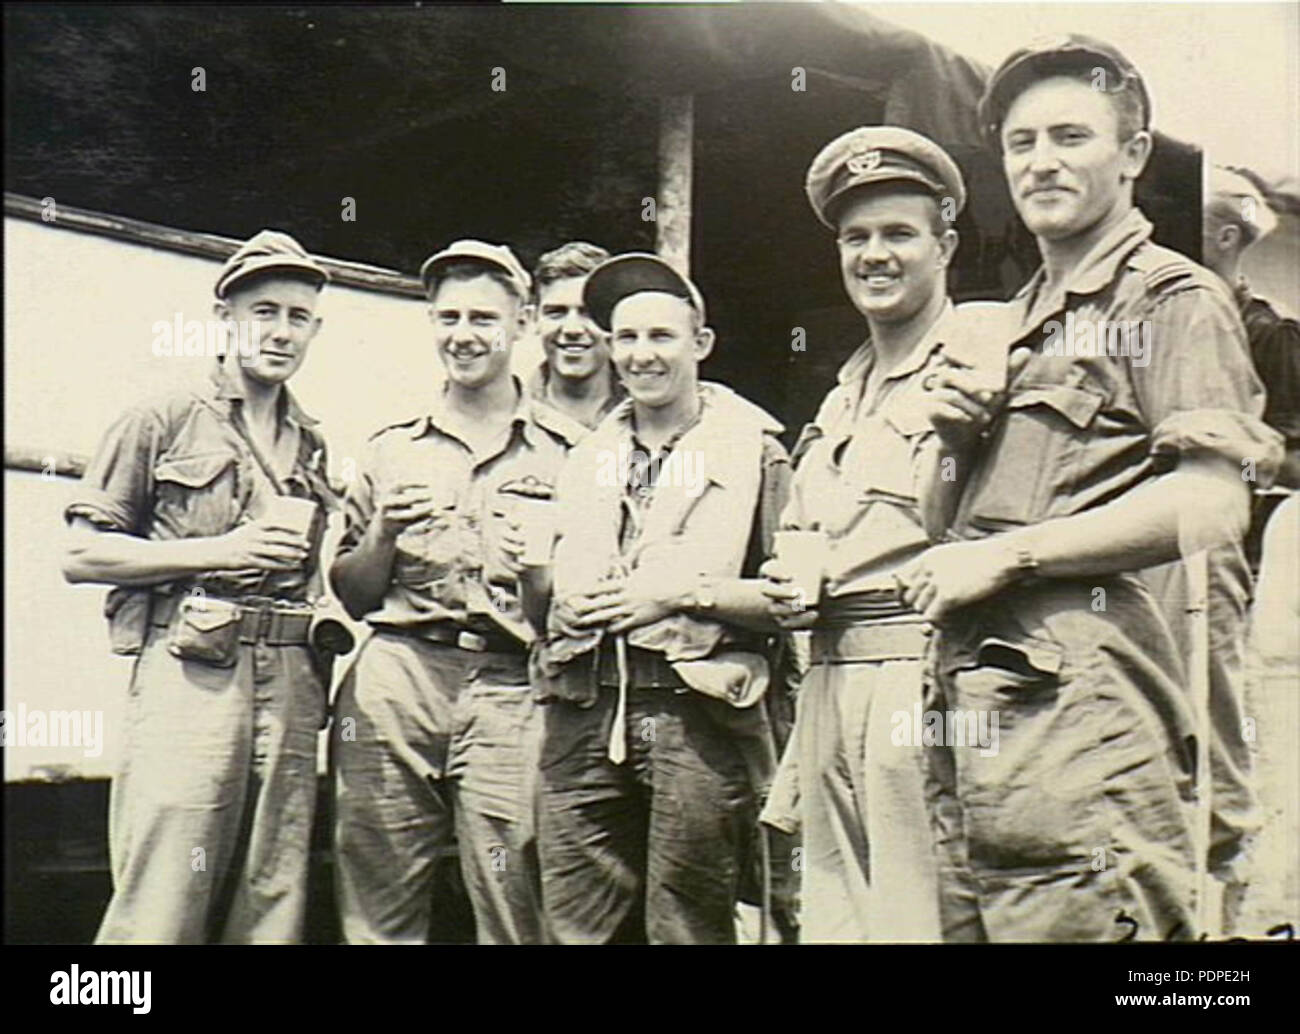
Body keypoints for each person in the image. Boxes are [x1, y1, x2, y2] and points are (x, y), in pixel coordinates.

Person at [897, 35, 1283, 941]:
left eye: (1071, 136)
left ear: (1133, 154)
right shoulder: (1013, 321)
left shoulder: (1170, 301)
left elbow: (1213, 504)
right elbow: (939, 525)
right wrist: (954, 437)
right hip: (980, 722)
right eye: (1022, 143)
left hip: (1090, 735)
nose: (1042, 162)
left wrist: (1012, 555)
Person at [63, 229, 338, 943]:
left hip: (290, 675)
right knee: (165, 890)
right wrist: (221, 550)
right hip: (191, 673)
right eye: (264, 312)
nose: (281, 332)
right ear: (224, 318)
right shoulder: (164, 416)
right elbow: (81, 554)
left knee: (271, 892)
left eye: (298, 317)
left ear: (314, 329)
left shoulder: (311, 441)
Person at [757, 126, 989, 942]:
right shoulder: (842, 391)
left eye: (899, 234)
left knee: (920, 916)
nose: (875, 255)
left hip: (922, 674)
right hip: (828, 676)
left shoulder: (980, 356)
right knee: (835, 921)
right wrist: (786, 581)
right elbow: (805, 532)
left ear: (945, 245)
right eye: (856, 238)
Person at [529, 253, 791, 943]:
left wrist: (681, 597)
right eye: (626, 337)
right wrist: (554, 597)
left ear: (701, 343)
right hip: (582, 707)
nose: (641, 355)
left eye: (661, 336)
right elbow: (545, 603)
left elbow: (791, 605)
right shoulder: (586, 457)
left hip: (694, 715)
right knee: (578, 922)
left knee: (686, 922)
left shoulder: (755, 451)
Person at [329, 240, 584, 944]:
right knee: (377, 895)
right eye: (449, 318)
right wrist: (382, 533)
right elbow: (352, 596)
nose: (463, 336)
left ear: (522, 323)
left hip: (514, 685)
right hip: (398, 679)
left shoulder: (570, 453)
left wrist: (537, 570)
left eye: (483, 318)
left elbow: (578, 603)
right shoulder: (391, 446)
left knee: (515, 892)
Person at [1203, 165, 1300, 489]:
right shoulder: (1162, 313)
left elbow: (1291, 455)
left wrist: (1239, 477)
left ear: (1226, 238)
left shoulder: (1271, 330)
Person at [527, 241, 626, 429]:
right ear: (534, 319)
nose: (572, 329)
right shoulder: (510, 410)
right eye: (556, 313)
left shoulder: (647, 406)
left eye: (588, 313)